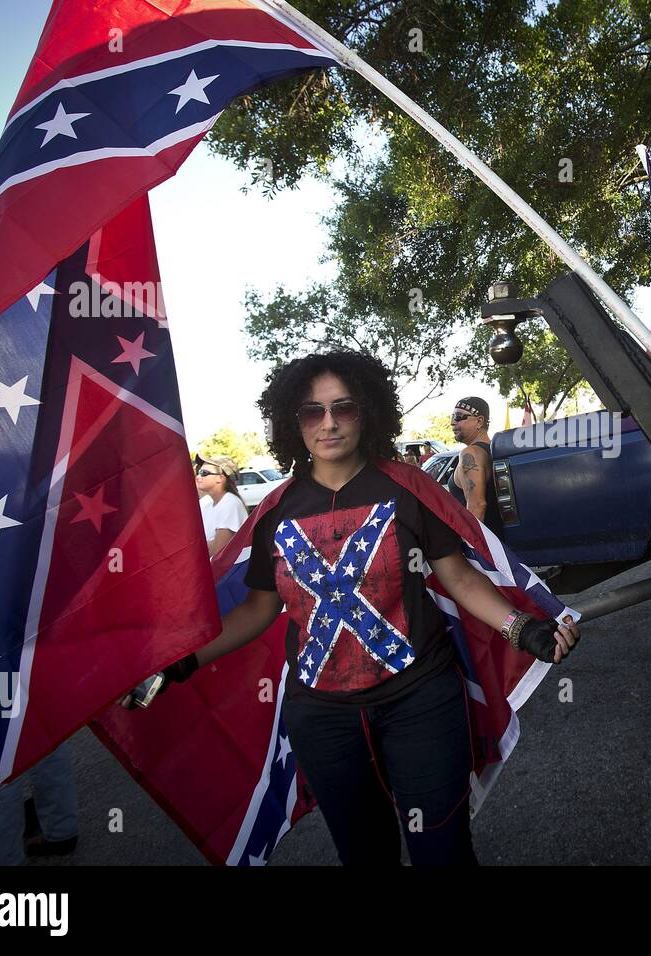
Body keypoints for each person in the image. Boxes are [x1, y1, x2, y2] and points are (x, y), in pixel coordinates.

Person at [128, 353, 579, 866]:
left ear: (366, 412)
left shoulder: (407, 488)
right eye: (312, 412)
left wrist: (523, 629)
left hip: (422, 702)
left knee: (443, 852)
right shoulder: (274, 512)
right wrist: (177, 661)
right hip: (322, 720)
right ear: (292, 422)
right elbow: (256, 611)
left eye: (343, 408)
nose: (328, 423)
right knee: (365, 857)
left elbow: (458, 577)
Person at [448, 397, 504, 538]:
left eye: (458, 417)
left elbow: (477, 506)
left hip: (483, 543)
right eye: (452, 417)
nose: (452, 422)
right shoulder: (493, 451)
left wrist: (469, 545)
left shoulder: (471, 453)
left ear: (479, 421)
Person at [195, 455, 248, 557]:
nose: (198, 477)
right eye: (198, 472)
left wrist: (206, 545)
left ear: (220, 478)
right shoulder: (206, 503)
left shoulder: (230, 503)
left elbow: (218, 551)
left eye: (204, 473)